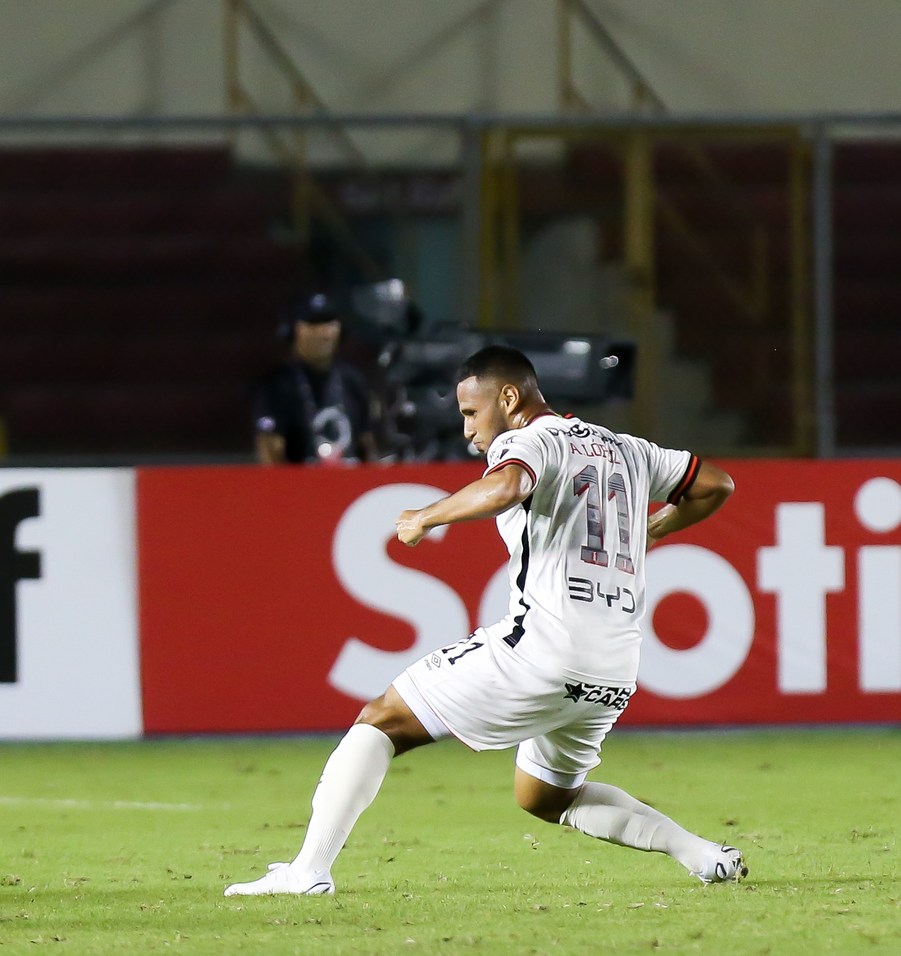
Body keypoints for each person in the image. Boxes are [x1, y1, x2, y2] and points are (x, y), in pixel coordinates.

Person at [225, 344, 742, 897]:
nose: (469, 430)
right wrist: (653, 529)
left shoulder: (530, 440)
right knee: (545, 796)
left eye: (472, 412)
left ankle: (308, 871)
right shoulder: (628, 449)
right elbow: (716, 484)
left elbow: (510, 485)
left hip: (544, 650)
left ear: (509, 398)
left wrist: (428, 515)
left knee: (382, 719)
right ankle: (701, 853)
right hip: (616, 666)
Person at [253, 293, 378, 465]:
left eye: (329, 323)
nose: (323, 333)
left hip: (348, 476)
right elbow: (269, 452)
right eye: (313, 324)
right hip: (299, 479)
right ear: (293, 331)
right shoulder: (277, 385)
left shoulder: (352, 380)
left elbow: (367, 446)